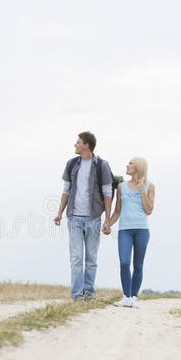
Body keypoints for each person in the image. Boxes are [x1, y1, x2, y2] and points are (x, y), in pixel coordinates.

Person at [54, 132, 113, 300]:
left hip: (93, 218)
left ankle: (89, 293)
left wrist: (108, 220)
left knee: (91, 258)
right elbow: (66, 190)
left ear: (86, 145)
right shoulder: (71, 164)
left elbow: (108, 193)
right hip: (74, 217)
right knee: (76, 258)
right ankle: (77, 294)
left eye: (78, 142)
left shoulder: (102, 165)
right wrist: (59, 213)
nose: (75, 145)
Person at [108, 157, 155, 308]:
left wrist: (142, 189)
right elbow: (117, 211)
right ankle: (126, 297)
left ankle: (133, 298)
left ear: (138, 167)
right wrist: (108, 223)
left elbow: (149, 210)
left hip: (142, 230)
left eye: (130, 163)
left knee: (138, 265)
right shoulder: (121, 187)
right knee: (124, 263)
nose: (127, 165)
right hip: (125, 231)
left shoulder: (150, 186)